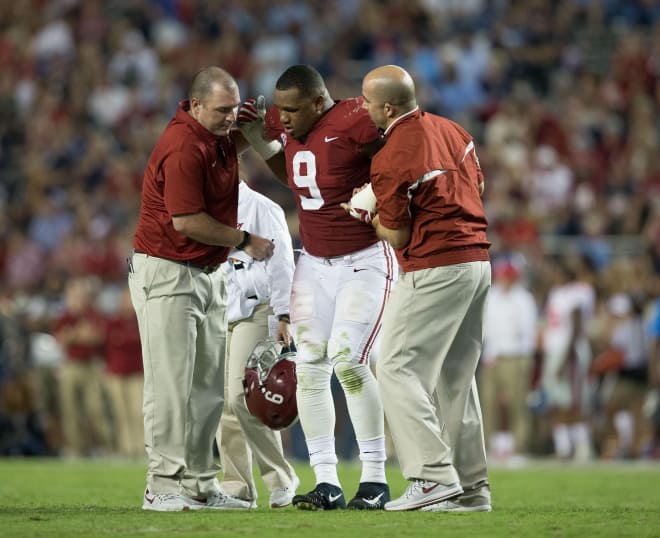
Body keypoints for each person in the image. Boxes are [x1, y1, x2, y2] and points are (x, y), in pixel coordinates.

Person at [238, 64, 396, 510]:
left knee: (349, 359)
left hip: (364, 260)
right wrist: (256, 136)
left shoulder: (355, 118)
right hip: (315, 262)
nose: (283, 118)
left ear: (317, 100)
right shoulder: (291, 120)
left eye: (292, 110)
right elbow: (295, 173)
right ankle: (325, 480)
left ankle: (375, 478)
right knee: (309, 365)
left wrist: (380, 191)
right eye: (280, 109)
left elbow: (402, 145)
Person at [346, 64, 492, 512]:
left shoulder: (390, 155)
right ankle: (471, 489)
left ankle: (431, 476)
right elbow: (479, 185)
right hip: (478, 261)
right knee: (456, 377)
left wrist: (365, 213)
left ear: (387, 107)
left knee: (394, 367)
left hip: (436, 266)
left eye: (368, 101)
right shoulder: (453, 130)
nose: (363, 107)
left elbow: (398, 235)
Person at [128, 66, 274, 512]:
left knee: (207, 388)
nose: (231, 117)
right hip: (168, 273)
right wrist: (246, 241)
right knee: (171, 386)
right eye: (223, 110)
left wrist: (250, 130)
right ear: (195, 106)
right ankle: (162, 484)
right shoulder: (183, 146)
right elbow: (187, 221)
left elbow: (226, 149)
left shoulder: (209, 137)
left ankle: (197, 481)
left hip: (207, 273)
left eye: (235, 108)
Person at [215, 176, 299, 509]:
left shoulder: (263, 208)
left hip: (257, 307)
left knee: (243, 395)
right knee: (223, 402)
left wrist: (284, 314)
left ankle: (281, 478)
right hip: (221, 309)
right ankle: (237, 486)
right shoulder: (207, 207)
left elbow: (282, 263)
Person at [480, 257, 538, 460]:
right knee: (488, 402)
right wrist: (488, 353)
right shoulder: (491, 296)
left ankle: (520, 445)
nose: (504, 281)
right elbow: (485, 328)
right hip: (493, 356)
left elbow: (528, 332)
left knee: (517, 403)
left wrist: (525, 360)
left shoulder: (523, 299)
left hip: (515, 355)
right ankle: (486, 446)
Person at [53, 276, 111, 458]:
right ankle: (76, 450)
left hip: (91, 365)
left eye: (80, 294)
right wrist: (79, 334)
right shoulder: (64, 316)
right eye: (73, 294)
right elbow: (60, 340)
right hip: (71, 365)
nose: (77, 298)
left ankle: (104, 447)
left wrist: (73, 335)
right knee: (70, 409)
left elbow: (97, 337)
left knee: (96, 409)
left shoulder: (94, 314)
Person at [103, 286, 144, 459]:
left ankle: (141, 447)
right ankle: (125, 448)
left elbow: (138, 343)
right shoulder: (113, 322)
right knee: (121, 413)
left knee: (138, 411)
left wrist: (123, 340)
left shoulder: (141, 318)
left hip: (137, 372)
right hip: (116, 373)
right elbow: (106, 344)